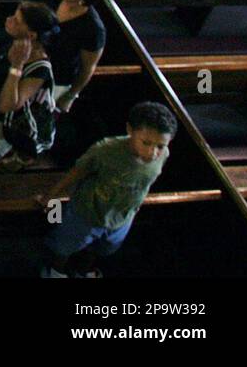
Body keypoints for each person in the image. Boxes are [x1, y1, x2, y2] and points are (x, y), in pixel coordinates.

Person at [38, 102, 176, 279]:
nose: (153, 152)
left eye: (160, 146)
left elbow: (146, 181)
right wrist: (50, 196)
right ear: (130, 130)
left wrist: (137, 204)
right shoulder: (106, 151)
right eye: (146, 143)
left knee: (102, 248)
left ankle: (83, 270)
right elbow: (76, 173)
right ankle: (56, 270)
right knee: (66, 245)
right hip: (87, 212)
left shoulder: (164, 155)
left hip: (122, 216)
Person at [0, 0, 59, 171]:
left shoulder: (39, 68)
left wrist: (17, 66)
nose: (9, 20)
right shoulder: (17, 43)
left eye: (17, 21)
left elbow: (7, 105)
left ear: (32, 35)